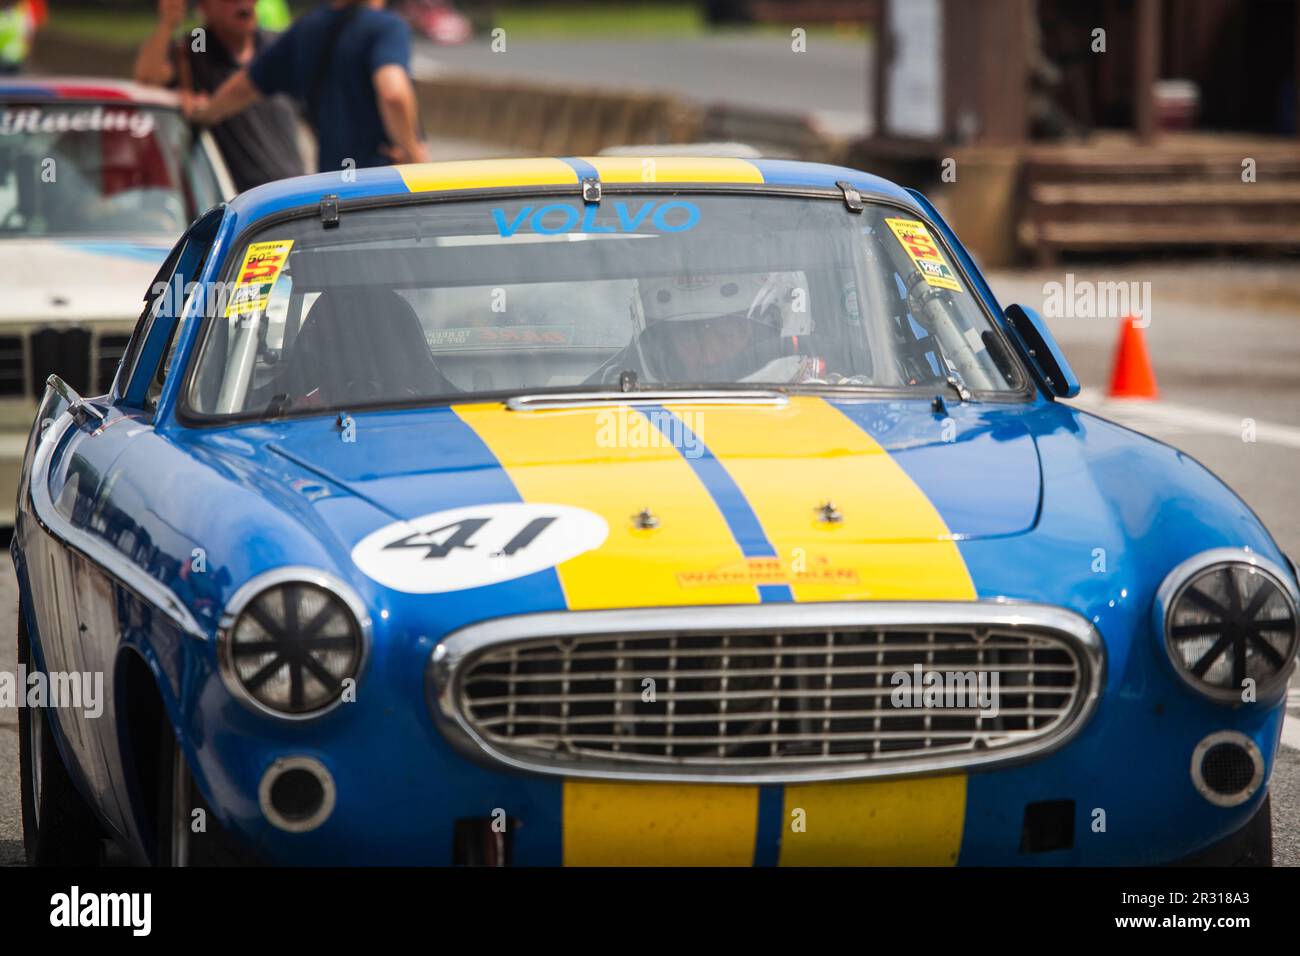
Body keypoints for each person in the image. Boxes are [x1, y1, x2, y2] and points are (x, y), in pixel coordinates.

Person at [186, 0, 429, 173]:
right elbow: (393, 94)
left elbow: (243, 87)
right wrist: (412, 154)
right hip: (386, 184)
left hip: (335, 188)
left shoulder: (306, 30)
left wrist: (204, 113)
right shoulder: (386, 27)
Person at [135, 0, 304, 191]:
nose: (242, 3)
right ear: (204, 7)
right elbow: (148, 78)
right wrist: (167, 24)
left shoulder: (276, 45)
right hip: (237, 204)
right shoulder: (200, 47)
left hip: (293, 192)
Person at [591, 272, 825, 386]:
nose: (710, 356)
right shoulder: (622, 413)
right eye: (688, 338)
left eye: (728, 335)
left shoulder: (836, 411)